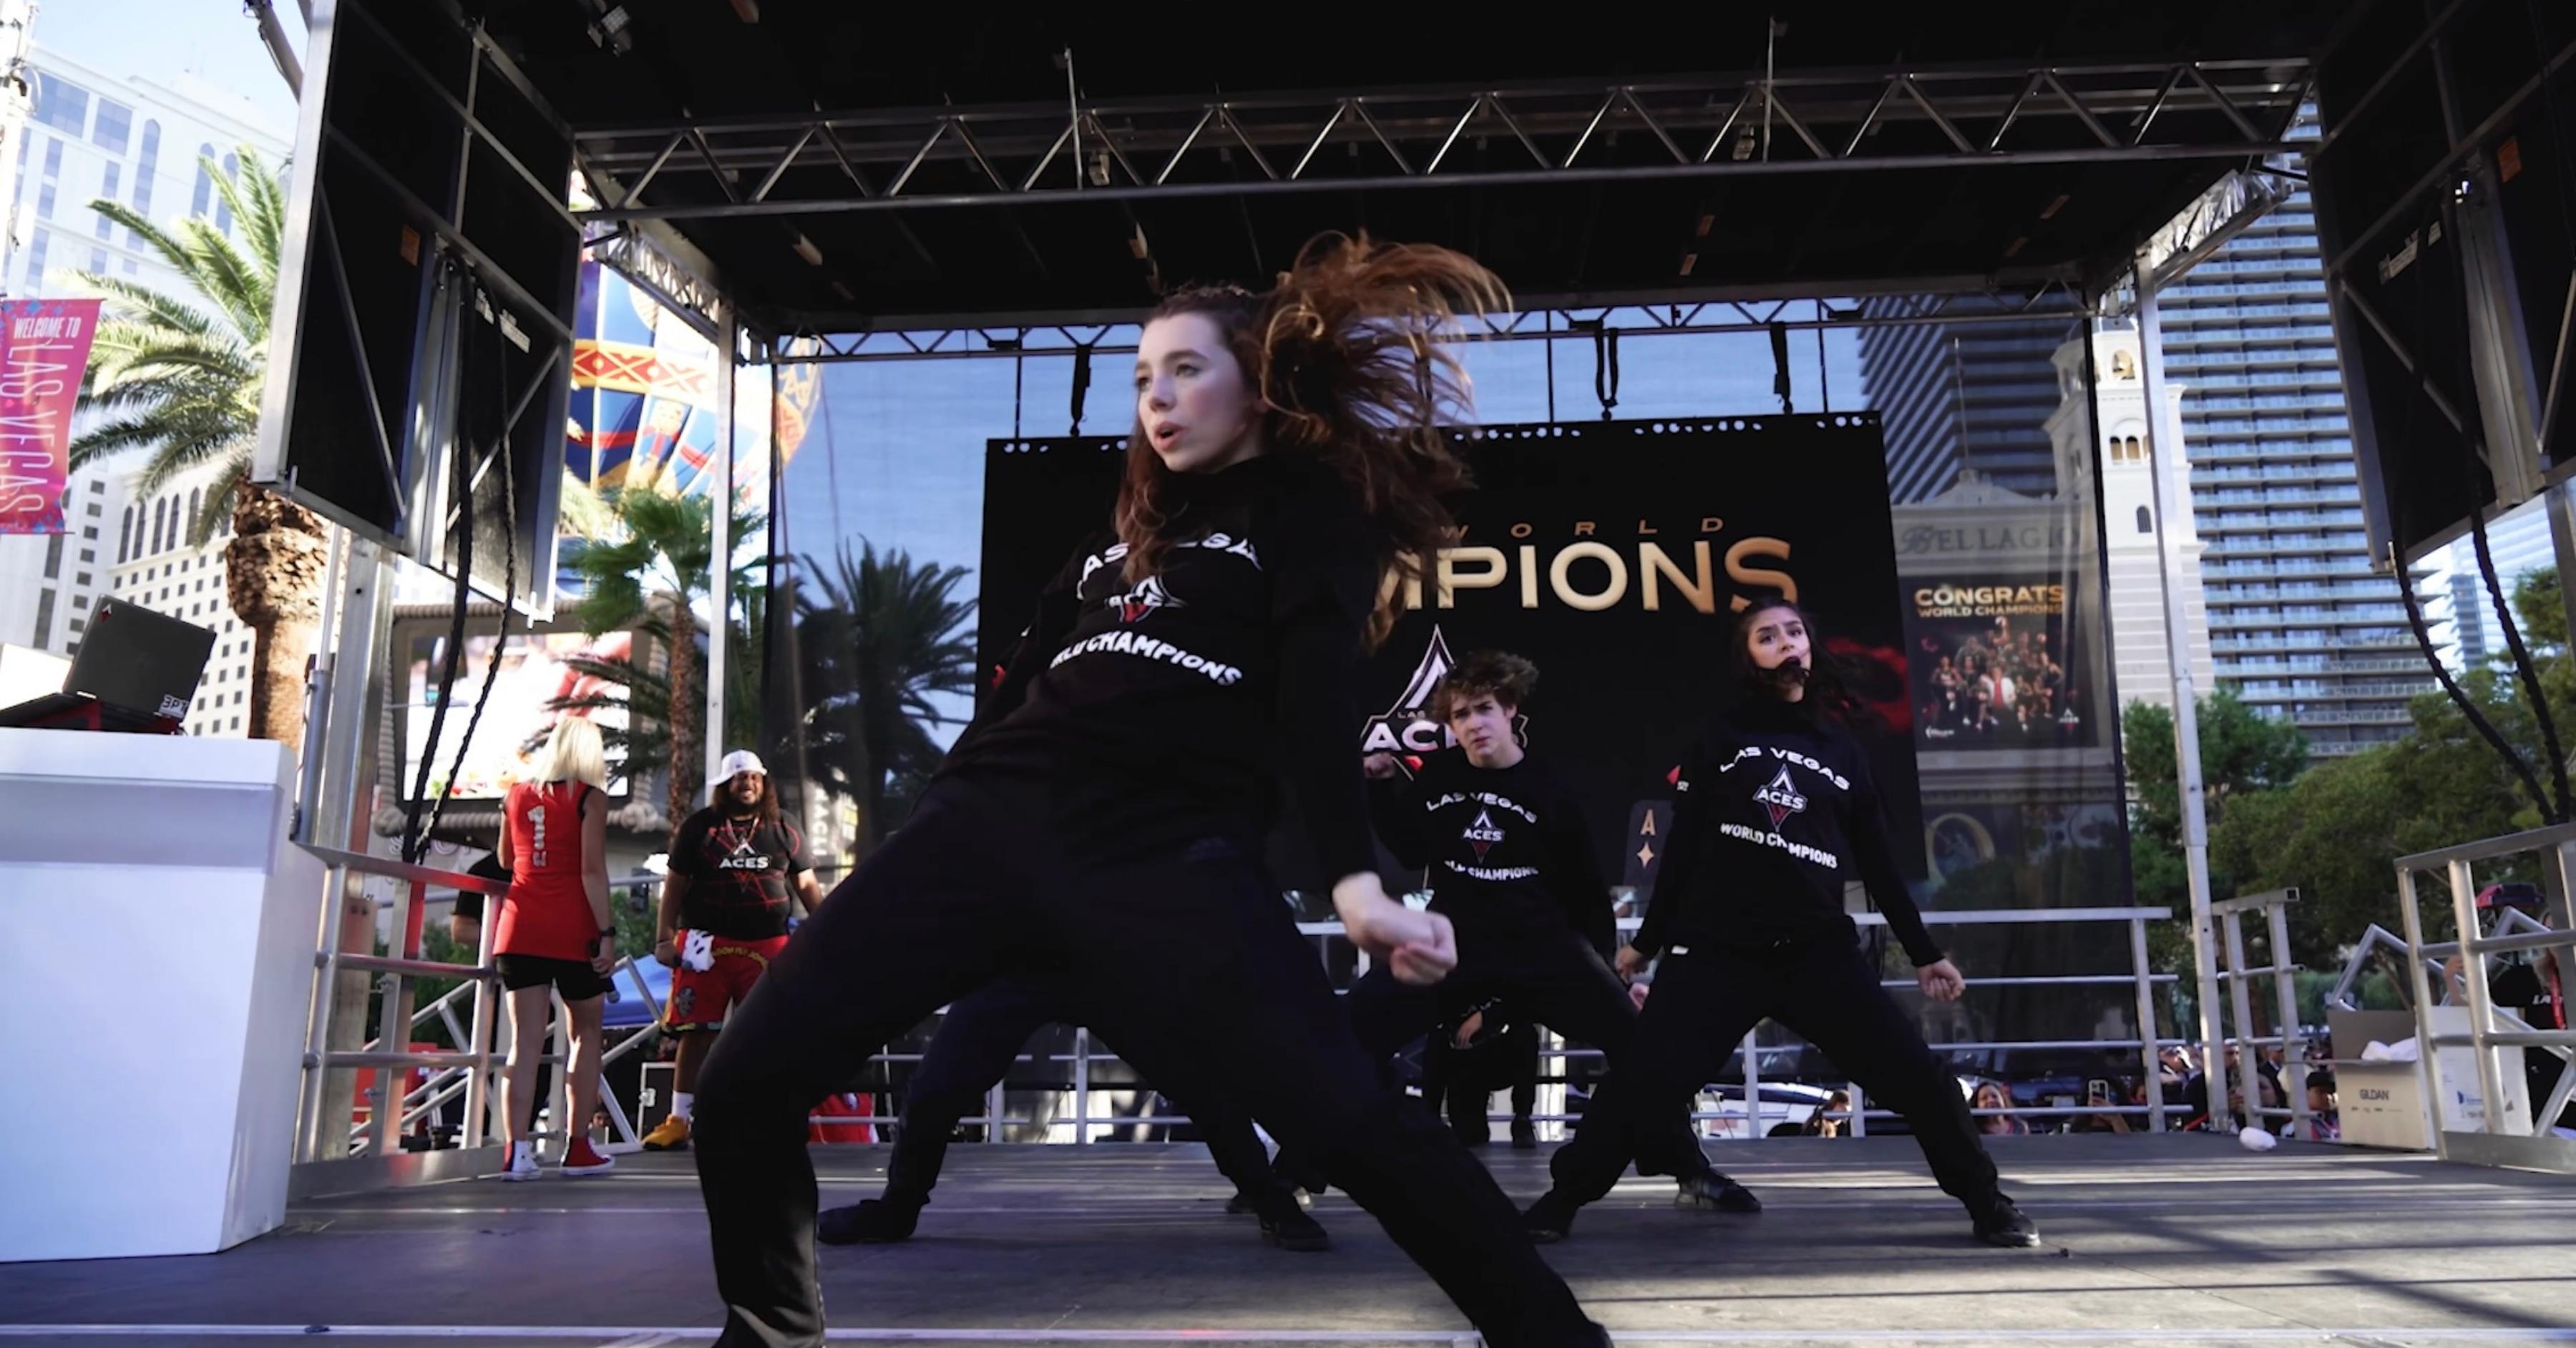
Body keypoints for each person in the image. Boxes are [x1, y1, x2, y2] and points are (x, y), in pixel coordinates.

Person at [687, 236, 1607, 1347]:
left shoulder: (1309, 518)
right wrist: (924, 833)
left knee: (1348, 1117)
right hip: (984, 829)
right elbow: (1011, 698)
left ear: (1258, 384)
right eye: (1141, 379)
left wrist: (1358, 884)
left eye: (1185, 369)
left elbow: (1318, 706)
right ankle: (769, 1335)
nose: (1157, 399)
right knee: (741, 1084)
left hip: (1159, 852)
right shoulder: (1113, 539)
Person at [1520, 599, 2039, 1249]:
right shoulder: (1721, 737)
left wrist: (1925, 952)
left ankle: (1988, 1203)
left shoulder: (1843, 751)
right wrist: (1646, 944)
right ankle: (1563, 1199)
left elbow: (1879, 867)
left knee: (1922, 1079)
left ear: (1810, 647)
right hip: (1718, 952)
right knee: (1643, 1082)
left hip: (1817, 955)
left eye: (1794, 632)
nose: (1786, 643)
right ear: (1750, 658)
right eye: (1768, 636)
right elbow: (1680, 852)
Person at [1279, 650, 1742, 1208]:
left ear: (1510, 711)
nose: (1473, 725)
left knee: (1638, 1043)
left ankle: (1689, 1170)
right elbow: (1409, 849)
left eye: (1483, 710)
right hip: (1453, 943)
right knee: (1350, 1030)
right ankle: (1292, 1174)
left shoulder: (1550, 786)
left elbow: (1586, 890)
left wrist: (1606, 971)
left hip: (1540, 947)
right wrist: (1378, 789)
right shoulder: (1440, 776)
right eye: (1460, 716)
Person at [814, 977, 1329, 1251]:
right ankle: (899, 1207)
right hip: (1020, 958)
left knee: (1196, 1082)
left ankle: (1267, 1196)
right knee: (934, 1089)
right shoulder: (990, 810)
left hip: (1104, 950)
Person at [640, 751, 825, 1153]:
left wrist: (830, 932)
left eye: (754, 777)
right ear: (725, 785)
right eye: (740, 778)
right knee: (695, 1033)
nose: (748, 784)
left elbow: (807, 885)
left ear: (764, 783)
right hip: (706, 945)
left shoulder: (784, 826)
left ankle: (769, 1118)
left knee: (768, 1033)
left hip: (768, 945)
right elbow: (674, 886)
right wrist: (664, 938)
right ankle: (679, 1121)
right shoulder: (698, 828)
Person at [493, 715, 618, 1181]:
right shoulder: (589, 798)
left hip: (520, 927)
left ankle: (516, 1153)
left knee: (524, 1042)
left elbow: (507, 859)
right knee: (586, 1034)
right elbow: (591, 871)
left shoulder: (515, 795)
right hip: (572, 930)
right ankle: (578, 1148)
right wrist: (607, 932)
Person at [1421, 998, 1541, 1148]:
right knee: (1471, 1138)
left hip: (1497, 1052)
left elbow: (1522, 1004)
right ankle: (1436, 1125)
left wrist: (1485, 1017)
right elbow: (1435, 1051)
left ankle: (1522, 1118)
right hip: (1462, 1063)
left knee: (1525, 1033)